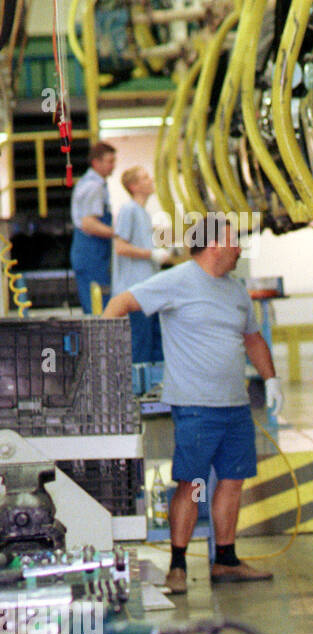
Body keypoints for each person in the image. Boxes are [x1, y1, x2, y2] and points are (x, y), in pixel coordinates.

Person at [102, 213, 284, 595]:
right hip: (196, 406)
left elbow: (252, 339)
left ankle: (226, 561)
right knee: (192, 484)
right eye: (234, 240)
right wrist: (106, 360)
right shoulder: (176, 281)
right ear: (215, 243)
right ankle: (178, 566)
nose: (239, 248)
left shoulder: (235, 291)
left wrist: (271, 380)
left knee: (232, 482)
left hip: (235, 406)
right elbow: (119, 303)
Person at [70, 142, 150, 314]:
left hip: (97, 254)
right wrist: (119, 233)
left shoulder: (97, 185)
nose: (113, 166)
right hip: (91, 254)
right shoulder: (93, 187)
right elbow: (88, 224)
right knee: (98, 308)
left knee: (101, 306)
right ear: (96, 163)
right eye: (110, 161)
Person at [113, 167, 172, 362]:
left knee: (155, 345)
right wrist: (151, 254)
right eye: (145, 178)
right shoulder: (129, 210)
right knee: (141, 347)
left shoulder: (143, 214)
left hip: (148, 291)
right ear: (134, 186)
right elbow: (120, 247)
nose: (151, 179)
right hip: (135, 292)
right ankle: (138, 391)